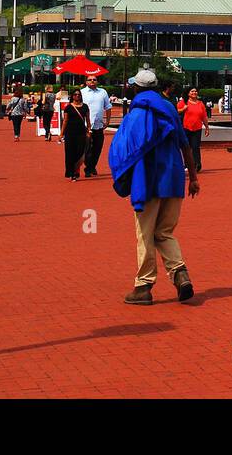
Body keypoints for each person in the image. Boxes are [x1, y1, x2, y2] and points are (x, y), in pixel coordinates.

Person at [109, 68, 198, 305]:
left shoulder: (137, 113)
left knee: (145, 234)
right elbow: (185, 144)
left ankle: (143, 286)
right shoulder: (169, 108)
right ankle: (180, 275)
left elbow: (125, 150)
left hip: (147, 180)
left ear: (137, 88)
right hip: (174, 178)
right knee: (164, 232)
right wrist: (195, 177)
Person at [79, 73, 112, 178]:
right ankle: (88, 167)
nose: (92, 81)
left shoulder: (103, 92)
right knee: (87, 148)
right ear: (86, 82)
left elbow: (108, 107)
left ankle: (92, 166)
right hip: (85, 125)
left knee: (98, 148)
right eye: (90, 79)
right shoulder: (82, 92)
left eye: (94, 79)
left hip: (98, 125)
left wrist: (107, 121)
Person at [62, 89, 90, 181]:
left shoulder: (85, 107)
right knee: (70, 153)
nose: (77, 96)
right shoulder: (68, 107)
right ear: (72, 96)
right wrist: (61, 133)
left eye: (79, 94)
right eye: (75, 94)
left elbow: (88, 120)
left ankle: (77, 168)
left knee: (80, 152)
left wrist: (89, 131)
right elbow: (65, 121)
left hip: (81, 133)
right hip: (70, 133)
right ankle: (72, 172)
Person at [181, 87, 210, 175]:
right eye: (192, 91)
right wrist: (183, 109)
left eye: (195, 91)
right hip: (186, 128)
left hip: (197, 128)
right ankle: (187, 165)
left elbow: (204, 116)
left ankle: (197, 165)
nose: (194, 92)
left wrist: (207, 127)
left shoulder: (200, 104)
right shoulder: (183, 102)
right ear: (188, 93)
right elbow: (175, 111)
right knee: (187, 147)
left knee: (195, 147)